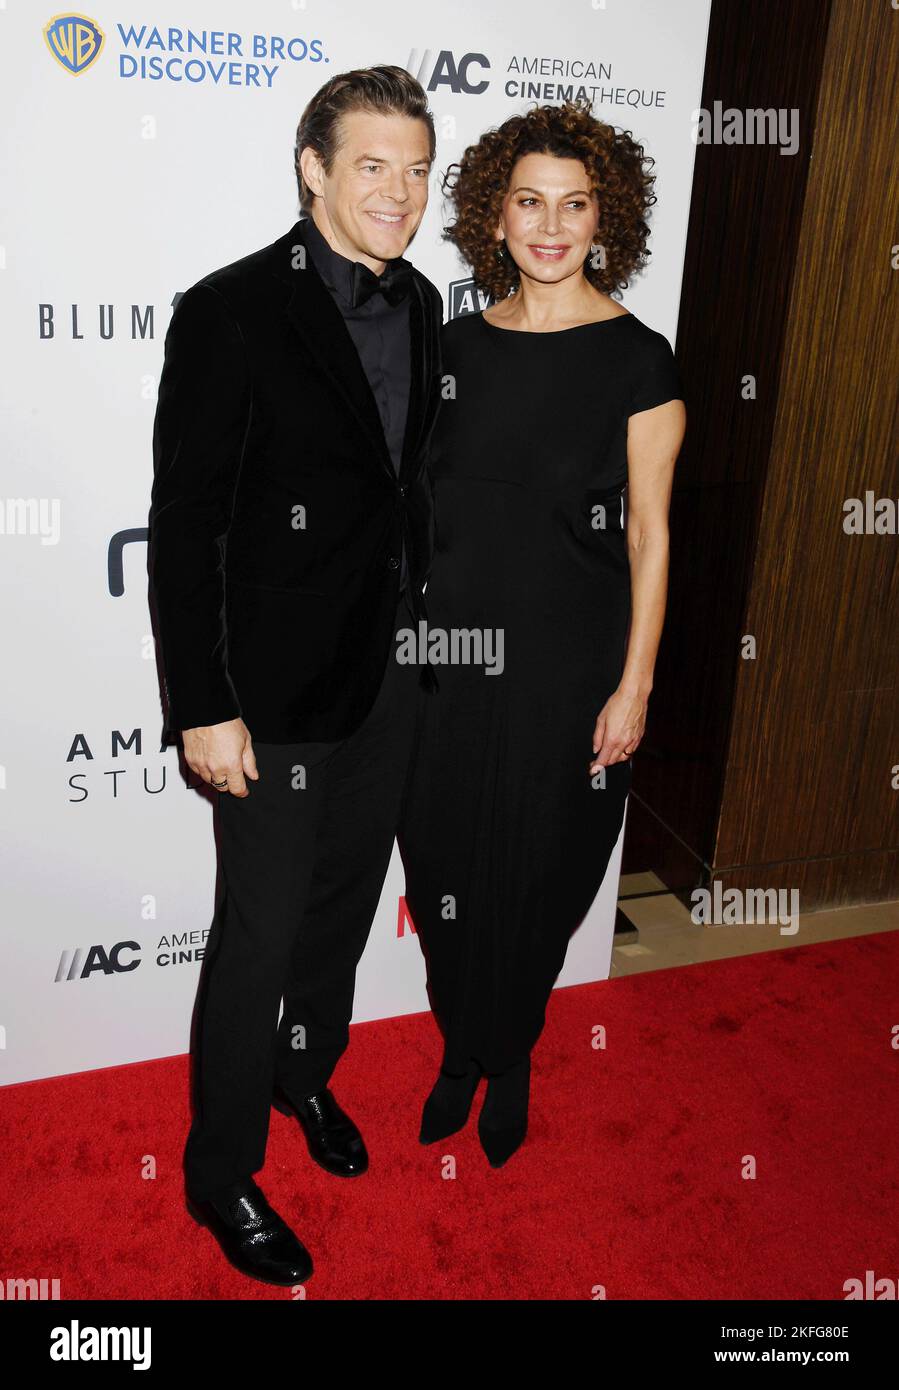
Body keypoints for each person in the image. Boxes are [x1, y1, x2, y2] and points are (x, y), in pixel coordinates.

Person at [148, 66, 444, 1286]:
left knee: (336, 921)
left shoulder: (424, 303)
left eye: (418, 168)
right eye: (371, 164)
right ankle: (219, 1174)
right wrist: (203, 702)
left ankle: (301, 1077)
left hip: (385, 681)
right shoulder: (228, 311)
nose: (399, 191)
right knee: (257, 940)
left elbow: (402, 498)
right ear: (312, 168)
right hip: (264, 701)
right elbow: (187, 525)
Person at [398, 99, 687, 1168]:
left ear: (603, 218)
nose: (549, 224)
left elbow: (651, 539)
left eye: (573, 204)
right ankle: (457, 1047)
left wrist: (634, 686)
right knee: (438, 863)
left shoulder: (637, 361)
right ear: (495, 213)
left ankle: (505, 1052)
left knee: (540, 868)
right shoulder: (452, 345)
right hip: (445, 660)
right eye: (529, 201)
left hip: (570, 665)